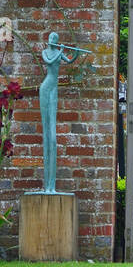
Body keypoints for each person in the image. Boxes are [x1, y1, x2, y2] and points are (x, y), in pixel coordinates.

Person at [39, 32, 79, 192]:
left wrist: (75, 54)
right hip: (45, 88)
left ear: (56, 41)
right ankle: (46, 186)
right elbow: (49, 61)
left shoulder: (58, 52)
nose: (51, 41)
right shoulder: (46, 52)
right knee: (46, 135)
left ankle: (51, 186)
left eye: (53, 40)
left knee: (53, 138)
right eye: (50, 39)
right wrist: (61, 52)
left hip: (54, 90)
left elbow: (69, 60)